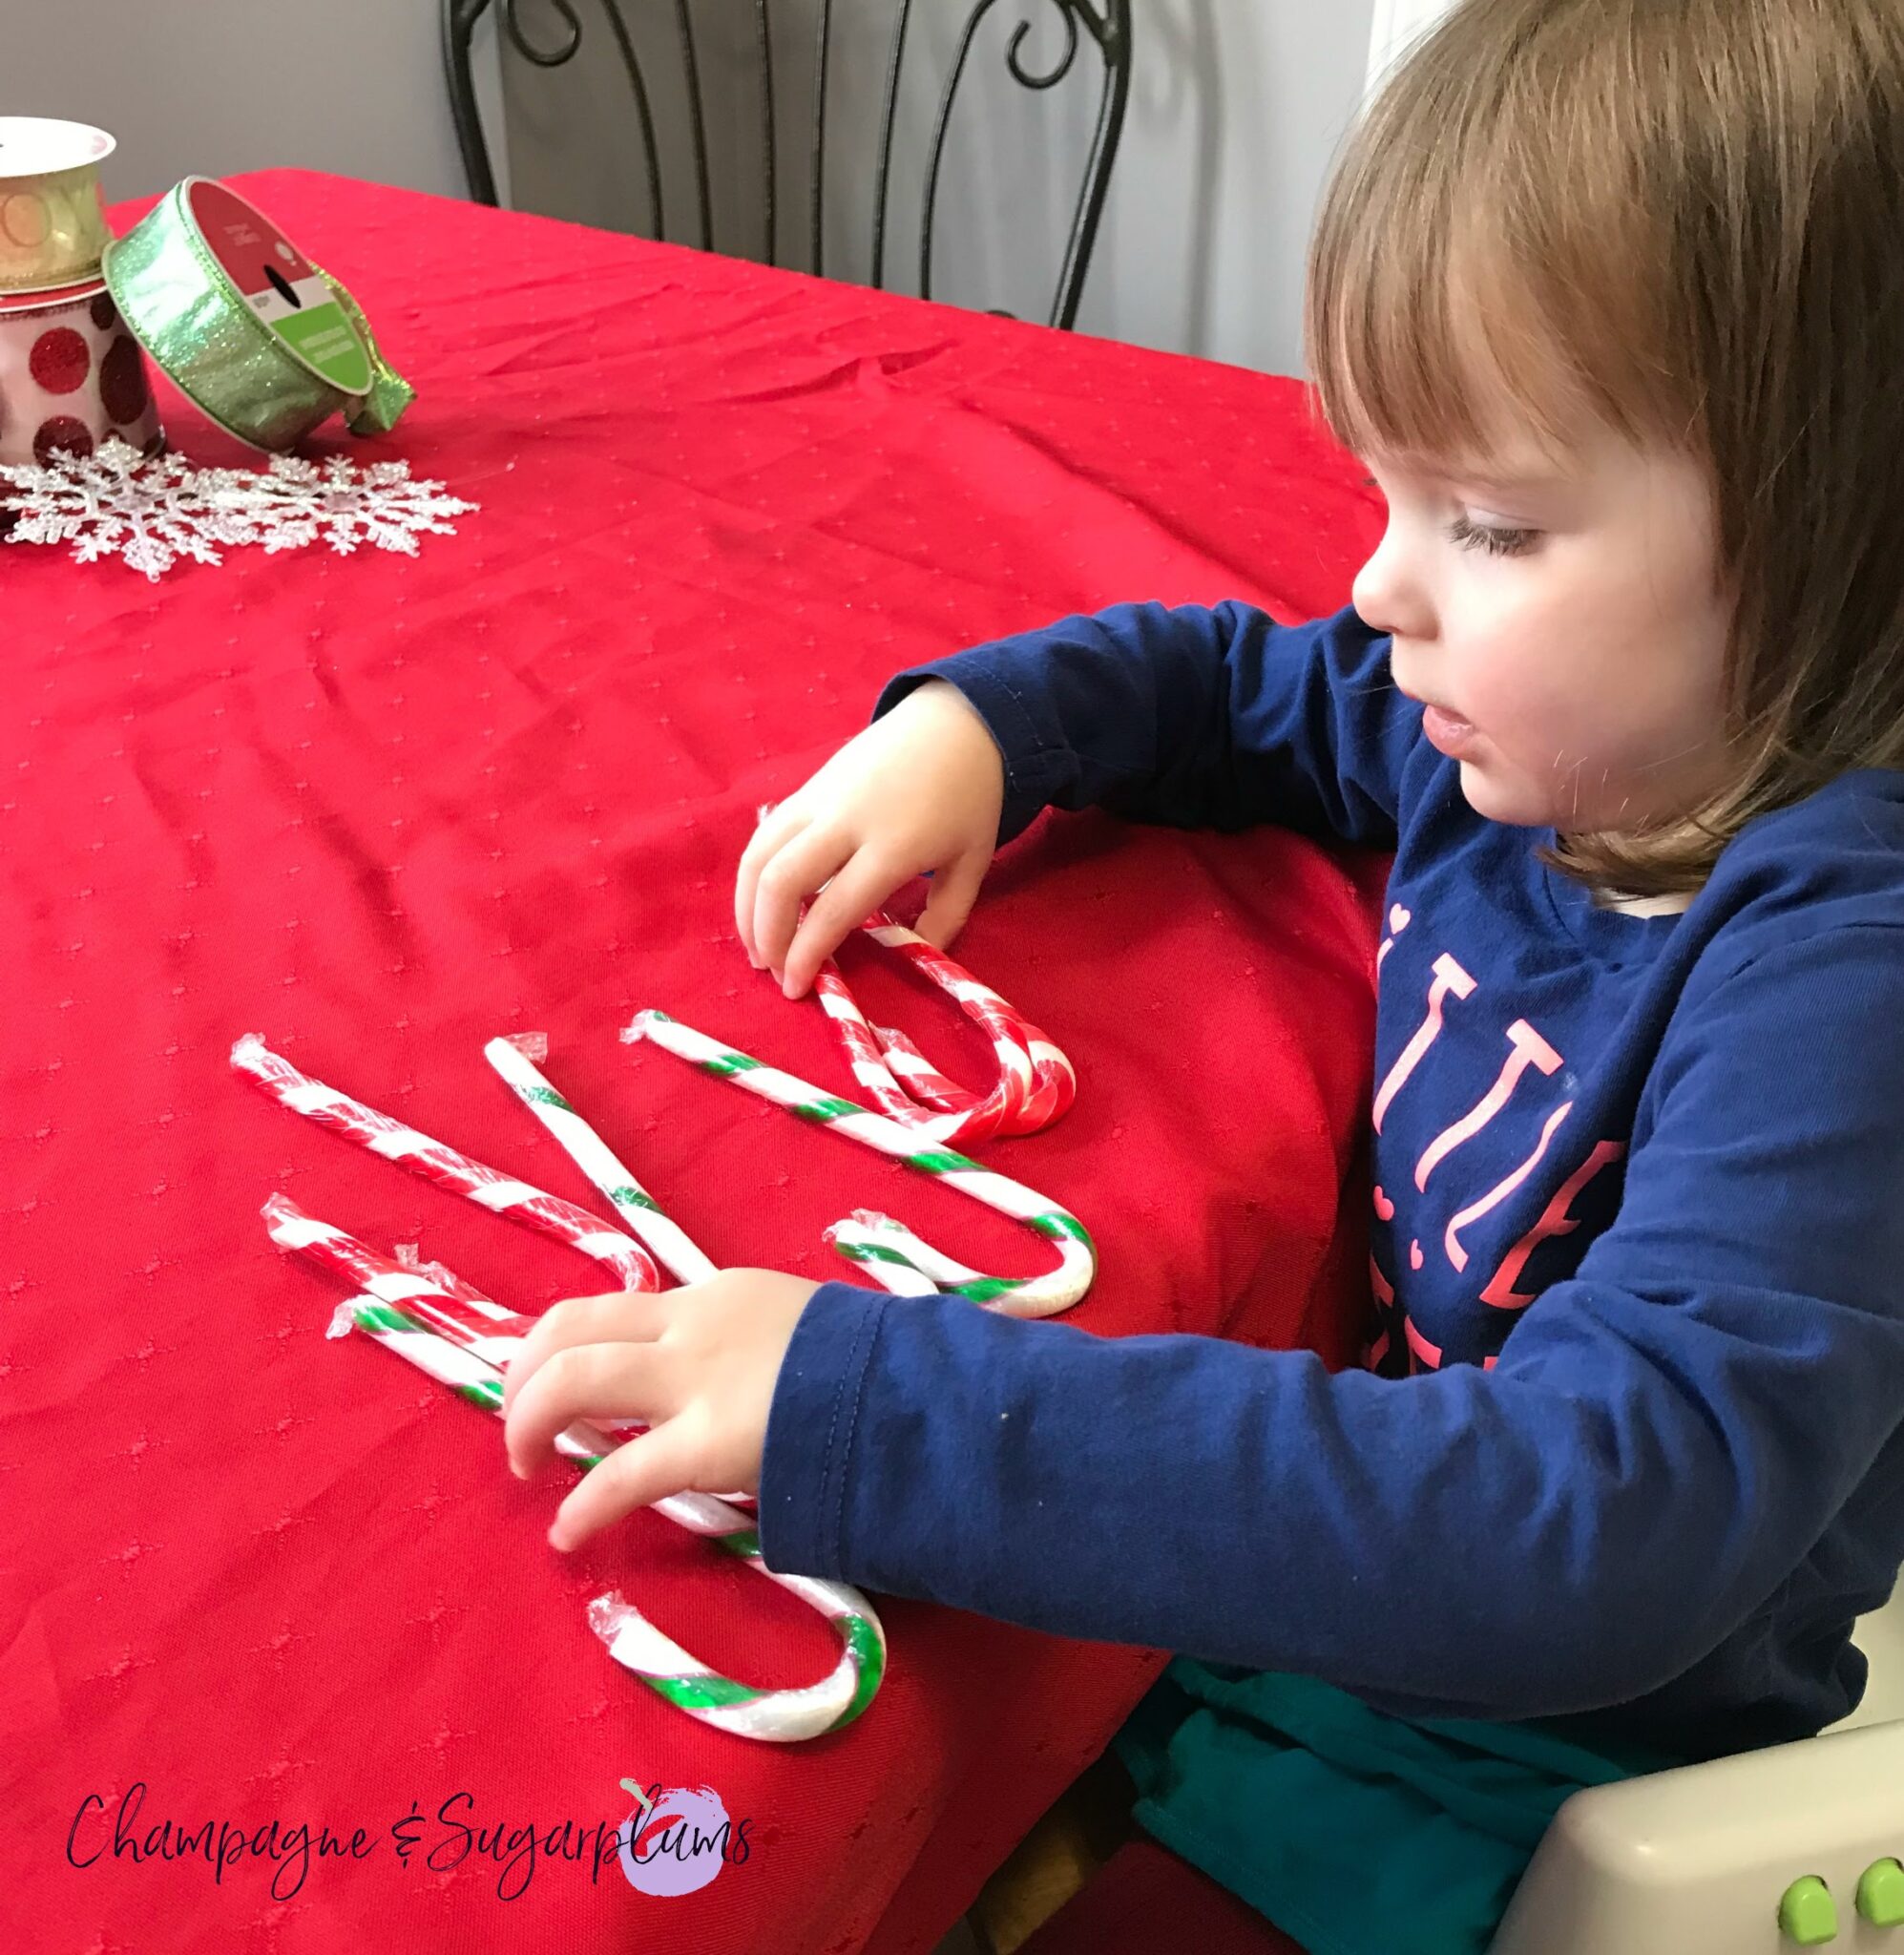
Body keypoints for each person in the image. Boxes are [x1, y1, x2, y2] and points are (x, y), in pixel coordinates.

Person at [501, 1, 1904, 1945]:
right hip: (1329, 1597)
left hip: (1538, 1739)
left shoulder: (1843, 971)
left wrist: (882, 1408)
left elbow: (1593, 1524)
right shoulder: (1528, 729)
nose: (1376, 584)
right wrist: (985, 730)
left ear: (1841, 539)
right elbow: (1234, 684)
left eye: (1486, 521)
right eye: (1386, 493)